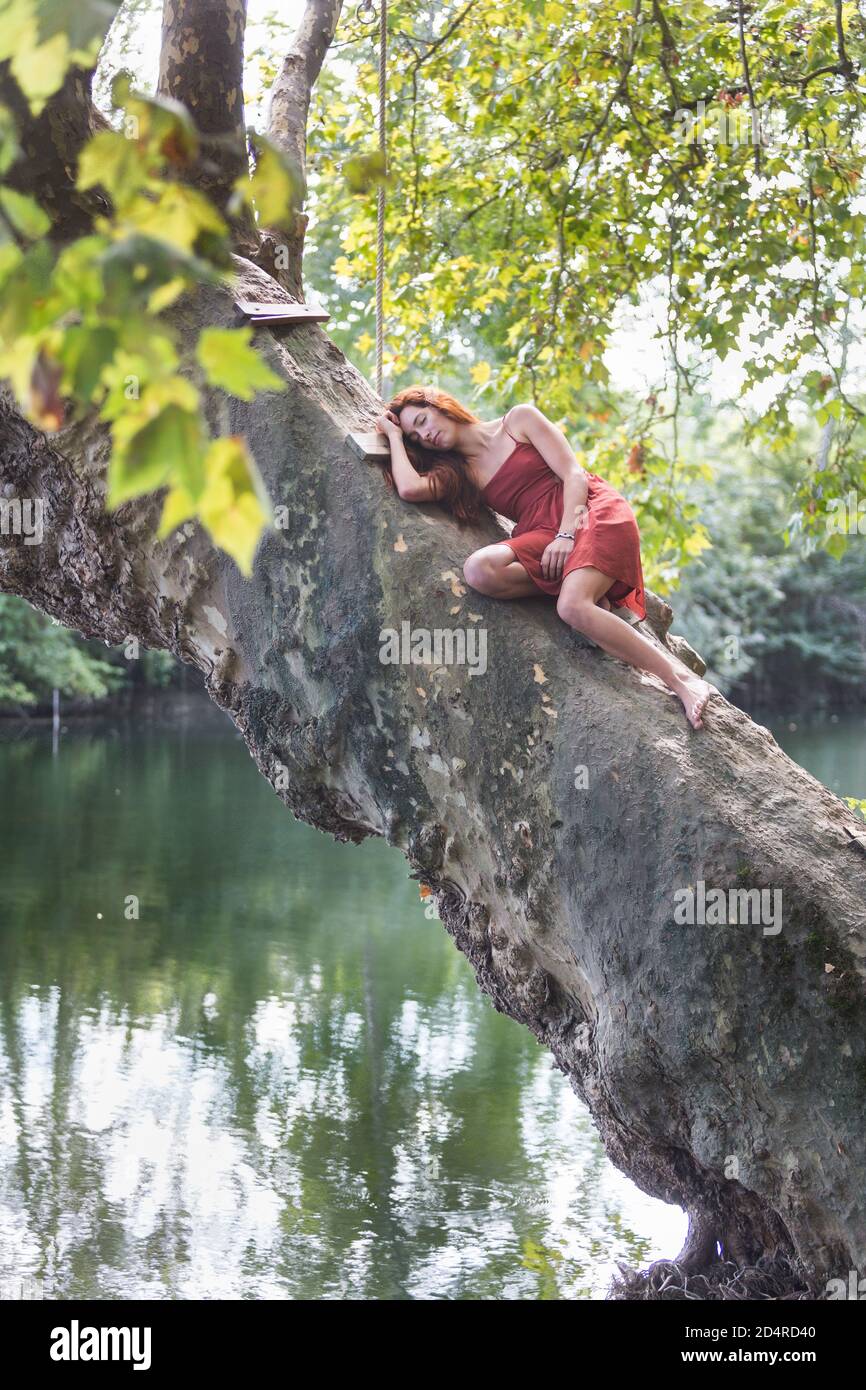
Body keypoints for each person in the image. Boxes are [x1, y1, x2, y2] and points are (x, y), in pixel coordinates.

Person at [374, 385, 713, 730]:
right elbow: (411, 488)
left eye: (421, 420)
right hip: (539, 532)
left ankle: (680, 679)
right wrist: (395, 438)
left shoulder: (518, 420)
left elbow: (573, 474)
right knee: (479, 570)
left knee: (571, 607)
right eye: (416, 436)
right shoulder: (462, 474)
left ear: (438, 404)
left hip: (586, 511)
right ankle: (584, 590)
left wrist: (567, 534)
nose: (425, 435)